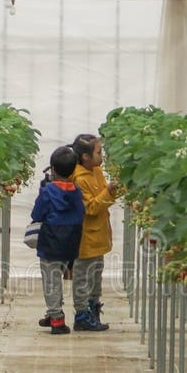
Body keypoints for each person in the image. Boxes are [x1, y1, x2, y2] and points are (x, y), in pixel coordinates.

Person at [30, 146, 85, 334]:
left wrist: (42, 189)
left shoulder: (48, 191)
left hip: (51, 242)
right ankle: (54, 311)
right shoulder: (77, 191)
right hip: (71, 243)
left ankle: (57, 319)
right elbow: (81, 214)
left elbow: (37, 214)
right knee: (57, 277)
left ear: (52, 169)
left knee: (51, 280)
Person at [70, 133, 118, 332]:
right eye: (98, 152)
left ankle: (92, 308)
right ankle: (81, 314)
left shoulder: (96, 170)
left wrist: (113, 189)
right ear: (85, 157)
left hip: (98, 236)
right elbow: (90, 208)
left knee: (95, 277)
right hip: (86, 239)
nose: (102, 156)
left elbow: (103, 198)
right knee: (82, 277)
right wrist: (110, 191)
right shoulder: (79, 179)